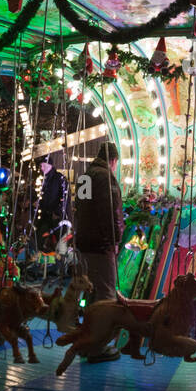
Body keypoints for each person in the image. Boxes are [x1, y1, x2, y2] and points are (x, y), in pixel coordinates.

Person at [74, 142, 124, 363]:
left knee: (91, 295)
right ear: (113, 160)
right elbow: (109, 210)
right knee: (105, 295)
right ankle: (99, 346)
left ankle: (87, 342)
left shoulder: (86, 175)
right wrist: (115, 239)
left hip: (84, 242)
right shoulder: (105, 177)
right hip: (100, 244)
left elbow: (81, 207)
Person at [36, 157, 69, 246]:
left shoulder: (59, 178)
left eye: (42, 165)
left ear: (48, 165)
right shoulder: (44, 180)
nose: (41, 168)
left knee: (60, 243)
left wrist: (58, 212)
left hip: (57, 218)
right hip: (46, 216)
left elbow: (65, 197)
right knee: (41, 239)